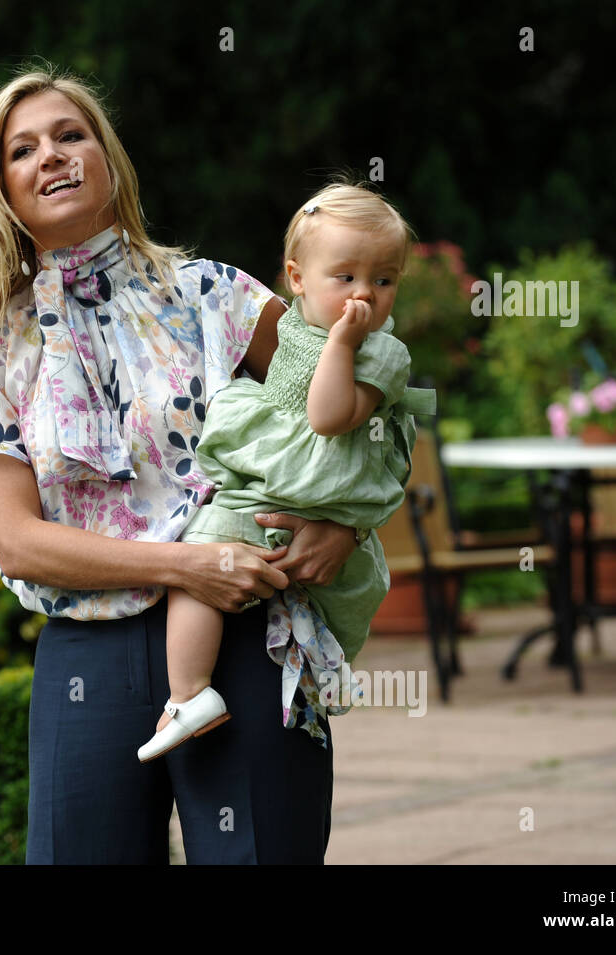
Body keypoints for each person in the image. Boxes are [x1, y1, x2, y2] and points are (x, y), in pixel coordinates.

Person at [0, 68, 358, 864]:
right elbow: (18, 544)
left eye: (71, 135)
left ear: (108, 157)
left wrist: (345, 525)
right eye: (22, 150)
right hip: (88, 657)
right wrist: (188, 565)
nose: (51, 156)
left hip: (249, 635)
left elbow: (358, 400)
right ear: (0, 190)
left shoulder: (215, 297)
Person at [140, 182, 437, 762]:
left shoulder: (377, 350)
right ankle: (192, 692)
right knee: (209, 556)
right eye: (345, 277)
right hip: (283, 475)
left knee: (208, 546)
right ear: (297, 278)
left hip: (316, 479)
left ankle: (187, 695)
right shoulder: (295, 326)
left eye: (383, 280)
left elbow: (327, 417)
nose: (365, 295)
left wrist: (345, 342)